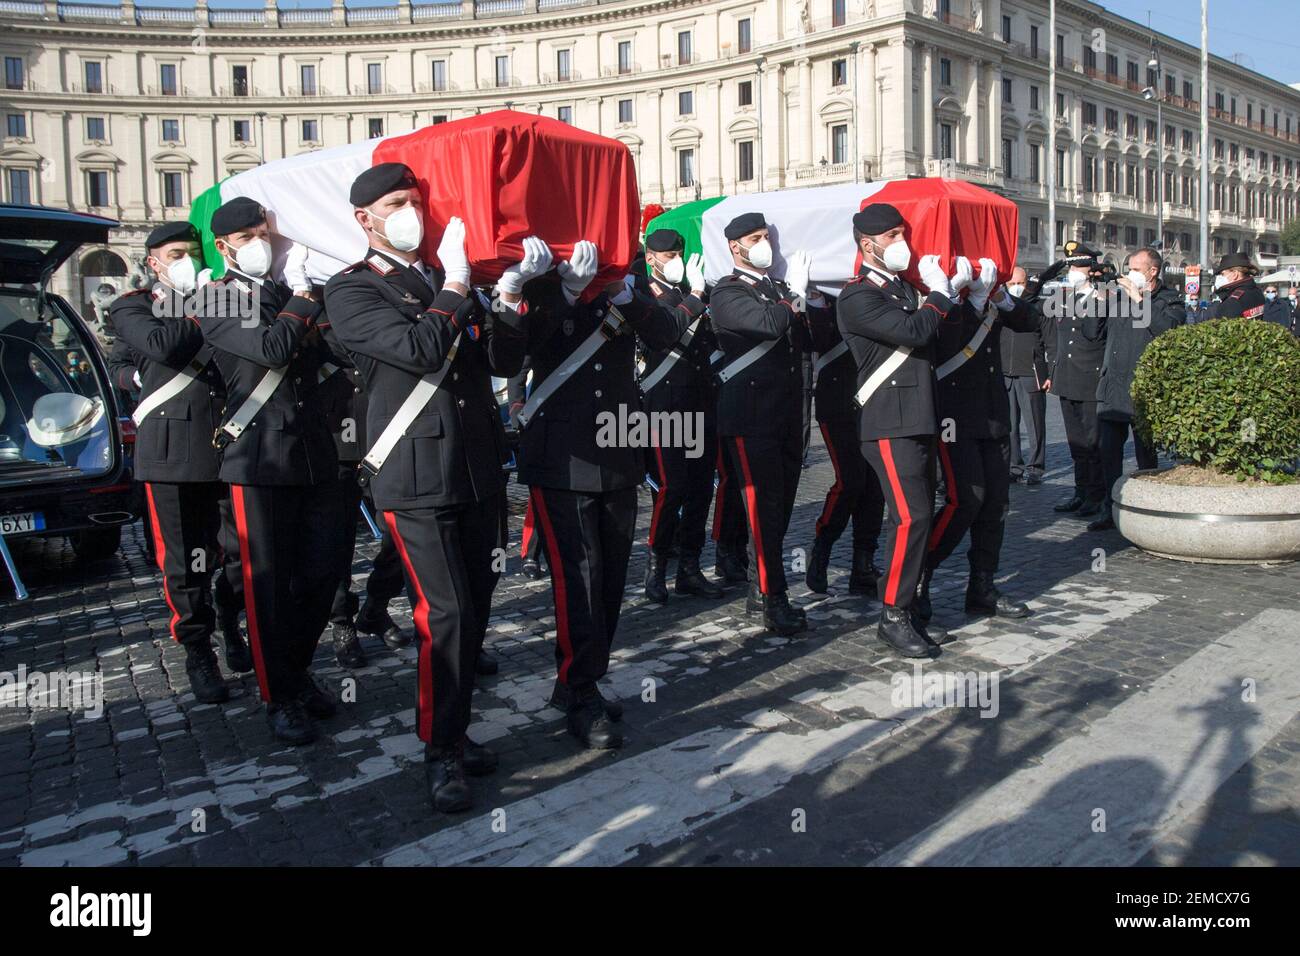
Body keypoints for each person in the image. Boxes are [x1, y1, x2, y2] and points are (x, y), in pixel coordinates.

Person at [323, 163, 535, 810]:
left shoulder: (448, 279)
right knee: (443, 615)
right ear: (366, 218)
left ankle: (457, 725)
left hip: (475, 470)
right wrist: (459, 285)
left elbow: (500, 362)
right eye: (396, 202)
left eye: (416, 199)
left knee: (473, 609)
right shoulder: (351, 289)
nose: (411, 210)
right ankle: (439, 750)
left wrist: (505, 301)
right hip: (414, 479)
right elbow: (416, 350)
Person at [517, 245, 689, 749]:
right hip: (561, 455)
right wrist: (568, 291)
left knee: (612, 576)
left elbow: (665, 334)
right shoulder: (541, 279)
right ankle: (579, 687)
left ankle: (578, 679)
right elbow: (517, 348)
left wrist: (620, 288)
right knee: (579, 579)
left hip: (618, 447)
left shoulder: (625, 278)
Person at [199, 196, 344, 746]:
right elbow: (273, 348)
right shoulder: (213, 298)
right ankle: (278, 694)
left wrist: (319, 294)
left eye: (266, 231)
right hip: (258, 458)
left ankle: (298, 671)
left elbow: (331, 358)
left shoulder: (290, 293)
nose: (261, 241)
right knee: (268, 586)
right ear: (224, 247)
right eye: (248, 235)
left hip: (314, 454)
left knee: (324, 571)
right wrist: (306, 297)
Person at [109, 221, 248, 703]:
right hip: (172, 452)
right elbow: (159, 349)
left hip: (230, 445)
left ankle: (232, 623)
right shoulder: (131, 306)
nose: (186, 259)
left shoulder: (224, 298)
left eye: (191, 251)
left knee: (239, 553)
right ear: (153, 262)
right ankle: (198, 651)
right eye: (175, 253)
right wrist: (135, 377)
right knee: (186, 561)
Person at [836, 202, 967, 657]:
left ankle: (911, 606)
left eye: (902, 232)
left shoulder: (907, 289)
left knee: (922, 515)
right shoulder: (857, 296)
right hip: (889, 420)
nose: (902, 242)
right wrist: (939, 295)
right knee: (911, 517)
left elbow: (938, 337)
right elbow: (912, 333)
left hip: (920, 415)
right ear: (868, 244)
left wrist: (963, 295)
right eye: (893, 236)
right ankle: (892, 615)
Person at [710, 212, 831, 636]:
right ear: (735, 247)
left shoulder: (781, 290)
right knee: (762, 510)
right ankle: (773, 600)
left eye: (766, 236)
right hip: (749, 416)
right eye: (755, 238)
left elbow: (810, 339)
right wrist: (794, 292)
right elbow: (768, 324)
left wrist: (813, 301)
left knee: (777, 512)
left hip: (786, 415)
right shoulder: (725, 293)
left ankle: (759, 589)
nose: (765, 244)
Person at [920, 257, 1040, 623]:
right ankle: (919, 575)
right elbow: (945, 344)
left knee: (996, 505)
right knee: (964, 501)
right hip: (955, 416)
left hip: (993, 414)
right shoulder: (940, 297)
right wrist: (967, 299)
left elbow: (1029, 321)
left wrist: (1000, 297)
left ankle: (982, 586)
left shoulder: (990, 300)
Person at [639, 228, 724, 604]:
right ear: (651, 257)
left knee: (703, 487)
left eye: (677, 252)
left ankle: (690, 567)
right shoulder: (643, 294)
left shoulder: (691, 291)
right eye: (666, 254)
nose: (673, 259)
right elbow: (662, 334)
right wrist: (697, 295)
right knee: (671, 487)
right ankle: (655, 567)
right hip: (663, 403)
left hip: (700, 400)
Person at [1086, 247, 1185, 531]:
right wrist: (1099, 299)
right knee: (1108, 454)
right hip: (1113, 388)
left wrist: (1138, 298)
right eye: (1127, 267)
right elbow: (1092, 333)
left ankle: (1145, 508)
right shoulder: (1117, 298)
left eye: (1135, 268)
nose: (1129, 273)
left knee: (1146, 456)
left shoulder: (1169, 300)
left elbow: (1166, 330)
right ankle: (1110, 506)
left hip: (1145, 391)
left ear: (1152, 271)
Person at [804, 288, 884, 597]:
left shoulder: (872, 292)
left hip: (873, 398)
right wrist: (814, 299)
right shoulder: (824, 297)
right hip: (837, 401)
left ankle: (863, 564)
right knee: (850, 481)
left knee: (874, 486)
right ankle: (821, 548)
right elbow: (821, 340)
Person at [1043, 242, 1107, 518]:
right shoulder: (1064, 298)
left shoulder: (1105, 297)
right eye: (1071, 266)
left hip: (1089, 380)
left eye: (1078, 266)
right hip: (1067, 378)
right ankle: (1080, 492)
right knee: (1077, 444)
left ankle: (1096, 495)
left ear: (1092, 269)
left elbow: (1093, 333)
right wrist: (1048, 275)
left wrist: (1094, 294)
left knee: (1093, 444)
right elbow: (1036, 307)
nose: (1073, 271)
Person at [999, 266, 1049, 485]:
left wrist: (1049, 373)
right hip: (1005, 373)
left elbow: (1050, 340)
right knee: (1009, 424)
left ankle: (1036, 467)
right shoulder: (998, 307)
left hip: (1031, 372)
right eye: (1012, 284)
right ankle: (1014, 466)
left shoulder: (1037, 305)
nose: (1017, 288)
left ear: (1027, 283)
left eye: (1020, 284)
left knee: (1035, 423)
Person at [1208, 252, 1265, 320]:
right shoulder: (1257, 291)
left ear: (1235, 274)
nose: (1220, 278)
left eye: (1223, 274)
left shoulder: (1233, 301)